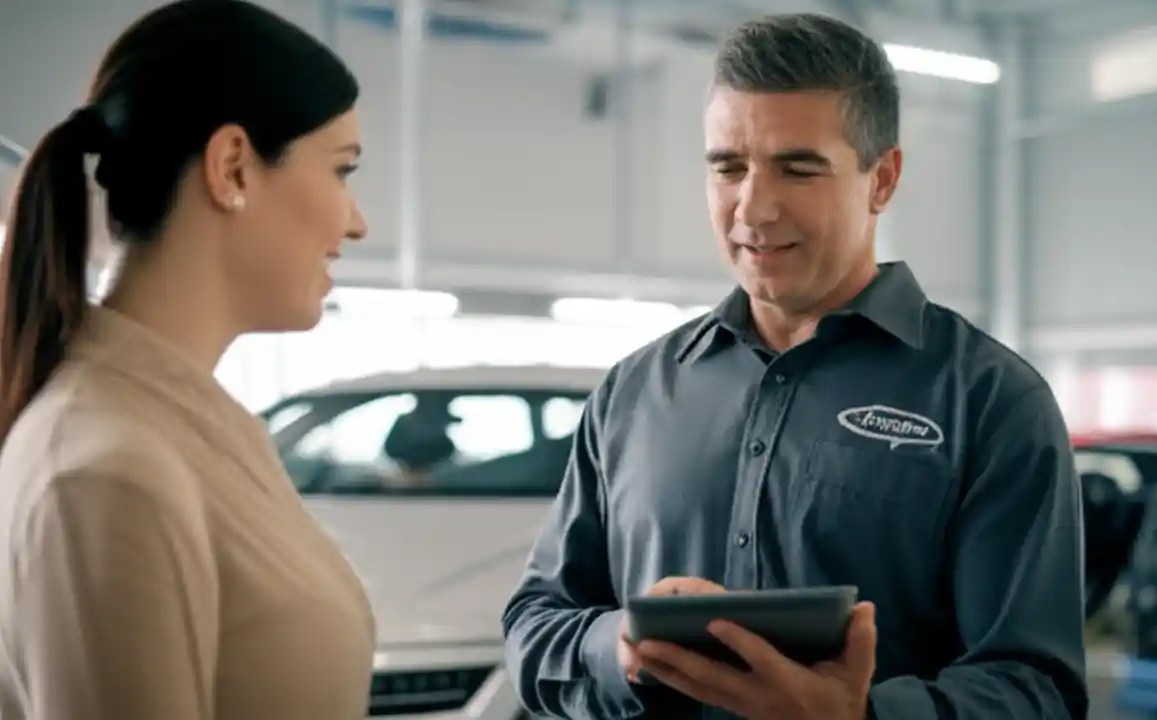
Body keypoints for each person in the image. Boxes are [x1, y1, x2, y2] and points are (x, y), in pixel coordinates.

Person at [502, 13, 1087, 720]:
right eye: (729, 167)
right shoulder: (634, 392)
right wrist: (618, 644)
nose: (753, 206)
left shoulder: (991, 402)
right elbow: (536, 623)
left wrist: (859, 717)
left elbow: (1037, 688)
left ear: (883, 179)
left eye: (798, 169)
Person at [0, 1, 375, 718]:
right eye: (342, 170)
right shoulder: (107, 471)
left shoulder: (174, 428)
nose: (356, 221)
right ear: (232, 166)